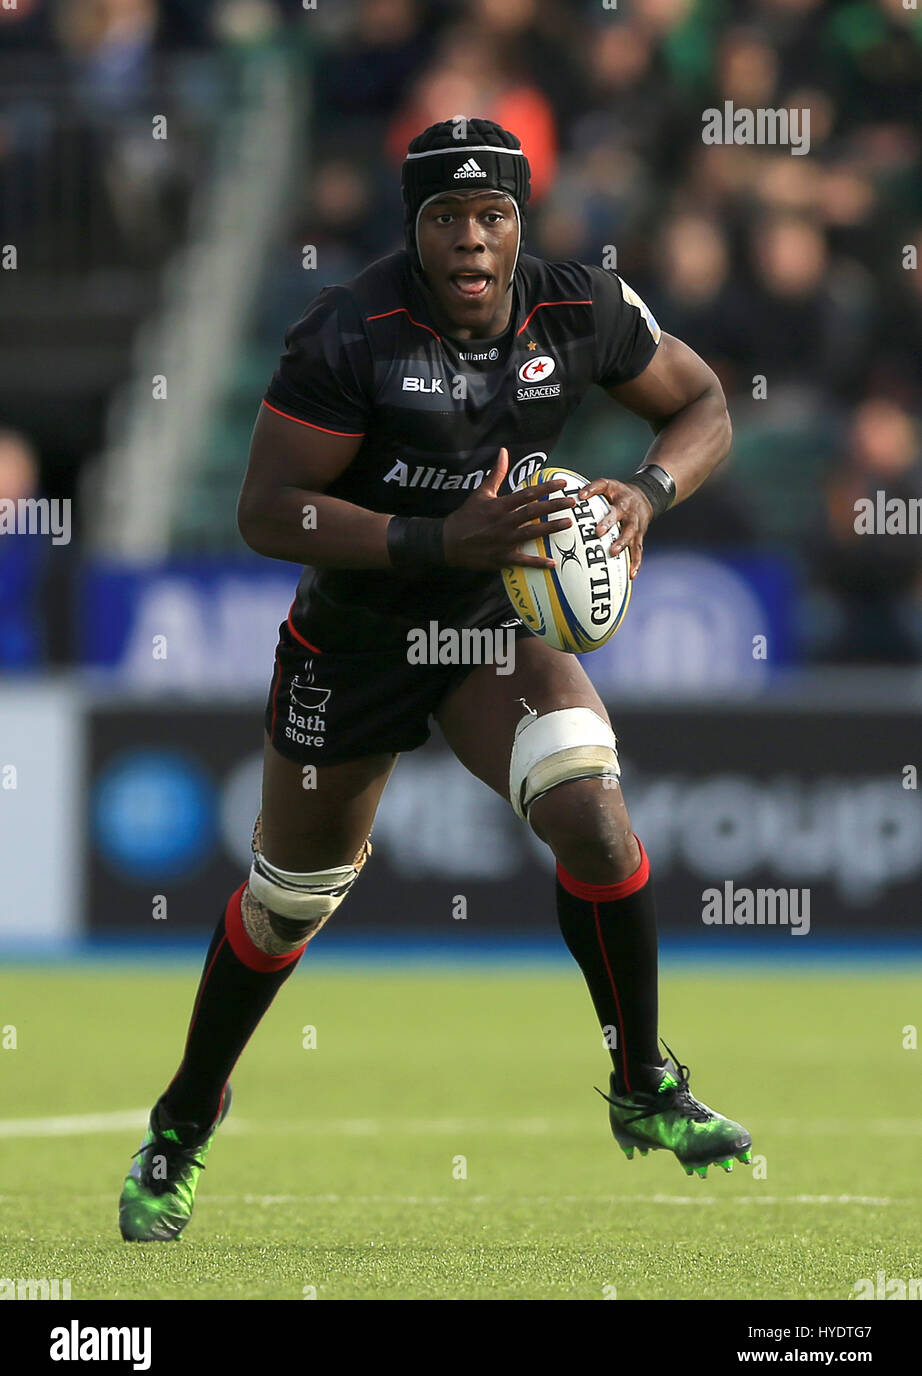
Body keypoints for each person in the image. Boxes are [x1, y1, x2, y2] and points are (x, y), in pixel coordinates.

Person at [119, 117, 751, 1242]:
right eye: (446, 218)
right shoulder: (346, 332)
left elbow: (704, 403)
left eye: (492, 216)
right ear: (414, 230)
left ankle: (643, 1082)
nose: (470, 241)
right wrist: (431, 541)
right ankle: (180, 1121)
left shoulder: (580, 306)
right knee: (288, 904)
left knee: (593, 817)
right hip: (357, 636)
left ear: (523, 226)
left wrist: (646, 492)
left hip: (488, 627)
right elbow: (267, 510)